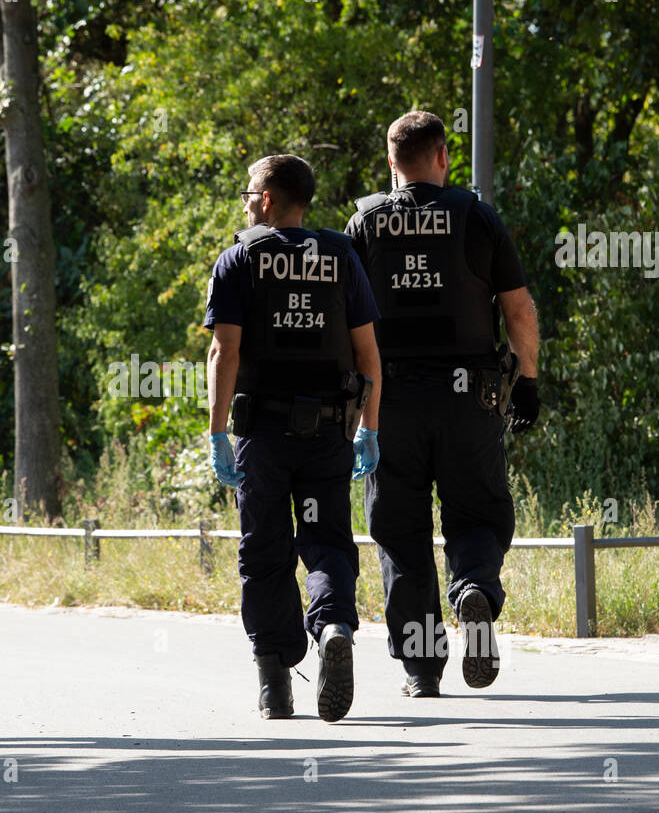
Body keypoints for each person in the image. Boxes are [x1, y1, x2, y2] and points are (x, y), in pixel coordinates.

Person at [344, 111, 540, 698]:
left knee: (400, 530)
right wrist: (526, 380)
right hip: (468, 398)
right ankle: (475, 586)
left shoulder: (364, 224)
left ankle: (422, 668)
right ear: (443, 156)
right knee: (477, 512)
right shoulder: (477, 217)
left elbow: (345, 323)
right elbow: (520, 310)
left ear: (390, 162)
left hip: (391, 402)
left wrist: (351, 407)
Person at [205, 154, 381, 723]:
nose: (245, 202)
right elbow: (367, 354)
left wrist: (216, 433)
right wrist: (369, 429)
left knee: (265, 552)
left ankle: (274, 684)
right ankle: (332, 624)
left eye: (248, 193)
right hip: (329, 429)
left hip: (262, 433)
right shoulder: (341, 256)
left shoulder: (238, 260)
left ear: (266, 201)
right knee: (327, 540)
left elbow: (223, 351)